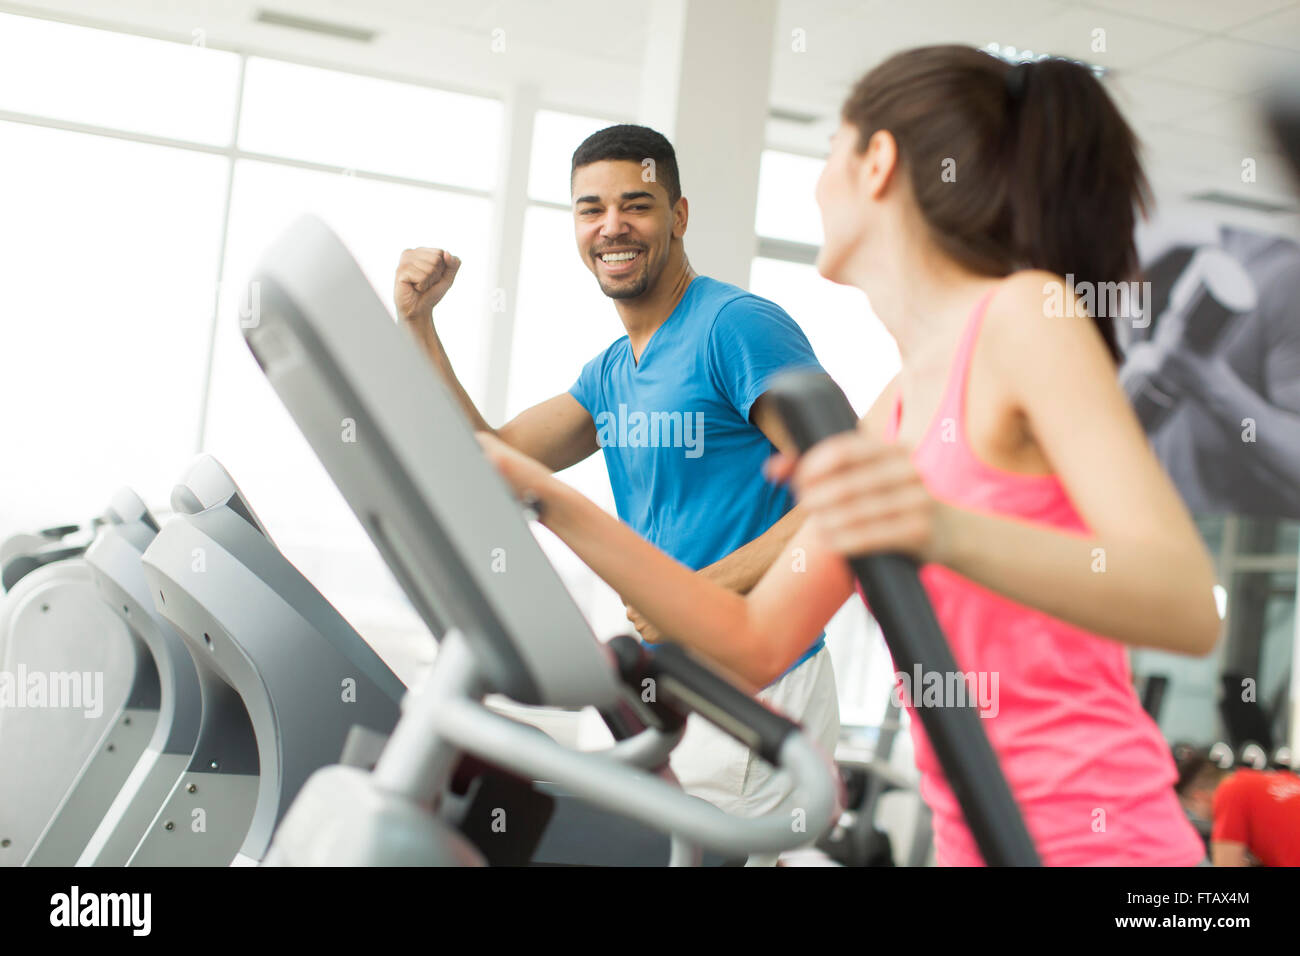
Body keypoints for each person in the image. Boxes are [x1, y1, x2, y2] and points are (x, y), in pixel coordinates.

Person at [480, 46, 1223, 866]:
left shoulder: (1023, 316)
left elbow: (1187, 602)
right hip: (974, 843)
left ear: (877, 164)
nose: (815, 181)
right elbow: (757, 639)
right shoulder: (902, 405)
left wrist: (937, 528)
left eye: (831, 148)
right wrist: (550, 501)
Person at [391, 124, 838, 863]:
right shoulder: (611, 372)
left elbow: (841, 487)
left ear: (679, 215)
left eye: (637, 204)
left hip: (754, 683)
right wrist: (418, 324)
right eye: (590, 209)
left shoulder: (737, 327)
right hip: (666, 679)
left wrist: (696, 591)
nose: (612, 227)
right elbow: (490, 461)